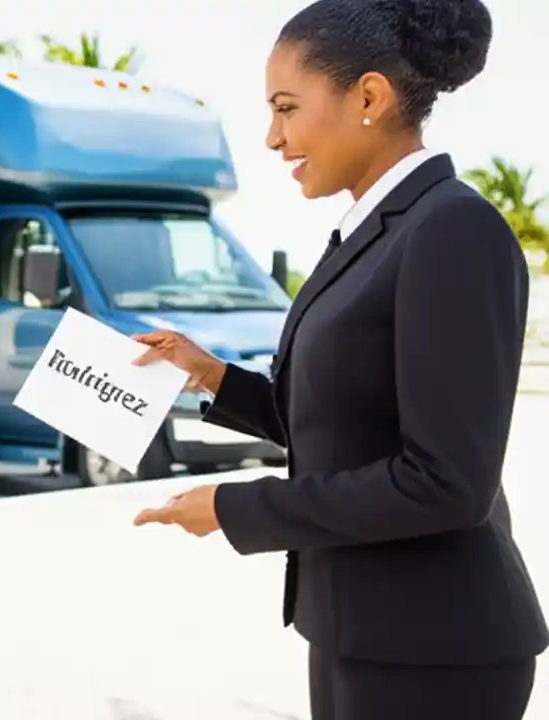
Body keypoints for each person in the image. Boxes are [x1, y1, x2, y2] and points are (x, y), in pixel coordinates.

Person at [131, 1, 546, 718]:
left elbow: (446, 482)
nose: (271, 137)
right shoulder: (373, 232)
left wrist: (236, 507)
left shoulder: (451, 230)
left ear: (369, 97)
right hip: (364, 631)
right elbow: (344, 425)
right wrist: (209, 373)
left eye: (286, 108)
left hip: (437, 650)